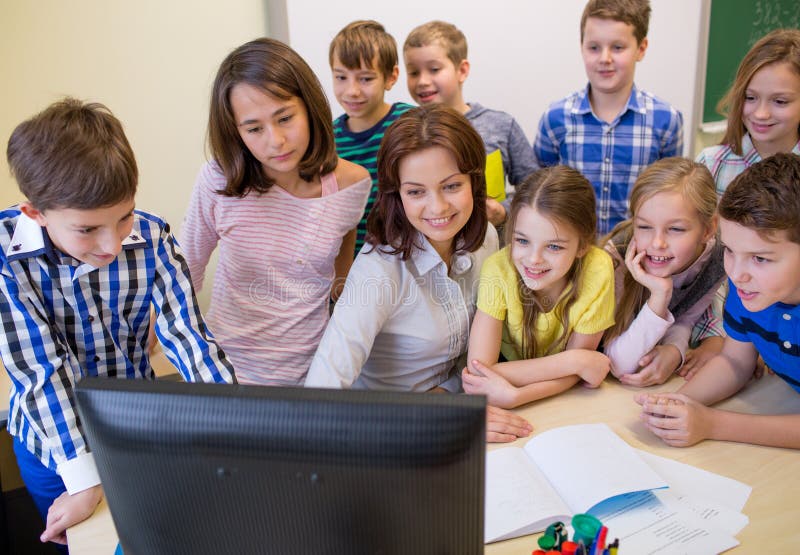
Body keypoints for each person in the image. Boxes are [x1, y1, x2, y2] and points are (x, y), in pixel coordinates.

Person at [1, 98, 236, 547]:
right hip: (53, 448)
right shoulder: (5, 257)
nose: (112, 244)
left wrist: (237, 423)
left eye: (124, 215)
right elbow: (40, 371)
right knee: (80, 541)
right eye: (87, 229)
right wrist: (84, 478)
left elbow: (189, 338)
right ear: (36, 213)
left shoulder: (151, 236)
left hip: (131, 433)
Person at [305, 104, 531, 443]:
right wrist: (440, 415)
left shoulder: (484, 237)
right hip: (388, 436)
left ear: (475, 180)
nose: (438, 208)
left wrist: (451, 400)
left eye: (452, 186)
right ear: (397, 194)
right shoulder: (377, 271)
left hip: (462, 416)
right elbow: (318, 401)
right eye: (416, 192)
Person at [180, 38, 371, 385]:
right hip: (225, 372)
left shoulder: (352, 184)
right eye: (254, 128)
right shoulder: (218, 180)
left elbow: (345, 236)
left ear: (309, 107)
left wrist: (339, 288)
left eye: (285, 118)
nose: (276, 141)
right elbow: (185, 269)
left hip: (313, 374)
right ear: (235, 132)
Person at [637, 153, 800, 449]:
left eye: (760, 258)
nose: (736, 274)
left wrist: (712, 424)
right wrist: (680, 401)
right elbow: (735, 362)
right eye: (729, 250)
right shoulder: (750, 291)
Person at [686, 29, 800, 374]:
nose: (761, 113)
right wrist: (716, 337)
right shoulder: (712, 164)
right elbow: (696, 266)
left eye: (780, 101)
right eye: (751, 98)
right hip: (721, 336)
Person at [461, 166, 615, 409]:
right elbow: (479, 373)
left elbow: (578, 374)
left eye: (553, 247)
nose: (533, 259)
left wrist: (518, 396)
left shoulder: (597, 268)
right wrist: (574, 361)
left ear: (582, 246)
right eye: (522, 241)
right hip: (511, 394)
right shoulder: (497, 270)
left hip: (563, 402)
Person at [533, 0, 683, 235]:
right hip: (571, 254)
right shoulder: (556, 119)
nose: (604, 58)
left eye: (617, 47)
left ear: (641, 49)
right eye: (594, 47)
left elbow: (670, 197)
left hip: (636, 254)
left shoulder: (666, 120)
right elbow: (540, 194)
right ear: (581, 46)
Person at [602, 158, 724, 386]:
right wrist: (659, 296)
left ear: (708, 229)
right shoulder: (615, 258)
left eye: (675, 229)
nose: (657, 243)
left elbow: (686, 317)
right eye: (644, 226)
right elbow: (617, 364)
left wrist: (674, 351)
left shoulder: (719, 259)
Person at [403, 20, 538, 227]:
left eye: (434, 69)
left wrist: (504, 211)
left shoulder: (501, 125)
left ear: (462, 70)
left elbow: (535, 186)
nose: (422, 81)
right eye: (413, 72)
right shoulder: (404, 130)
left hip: (491, 248)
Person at [329, 20, 414, 255]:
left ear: (391, 76)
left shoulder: (410, 121)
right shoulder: (328, 140)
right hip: (352, 263)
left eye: (365, 79)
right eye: (341, 77)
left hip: (406, 256)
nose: (352, 90)